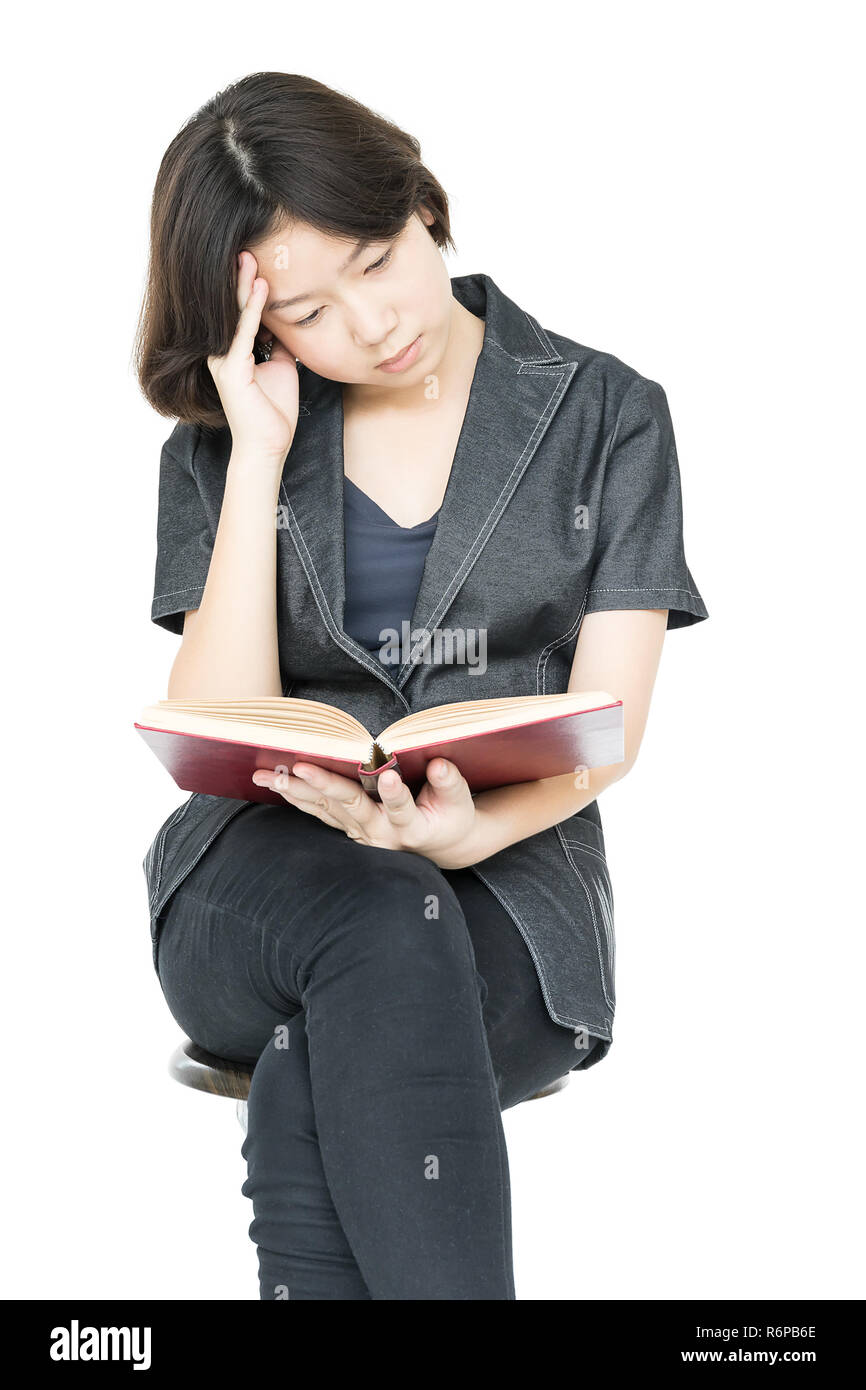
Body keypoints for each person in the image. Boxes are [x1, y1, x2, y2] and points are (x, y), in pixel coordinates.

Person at [134, 71, 709, 1300]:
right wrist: (256, 457)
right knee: (377, 924)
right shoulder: (223, 442)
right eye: (306, 310)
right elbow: (221, 720)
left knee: (337, 1035)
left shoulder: (607, 416)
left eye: (378, 258)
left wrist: (466, 831)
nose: (373, 322)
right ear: (257, 328)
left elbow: (607, 732)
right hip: (261, 889)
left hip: (508, 891)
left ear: (423, 205)